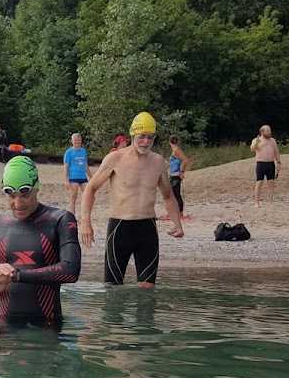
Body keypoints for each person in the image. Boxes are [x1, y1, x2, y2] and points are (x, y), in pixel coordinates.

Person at [0, 156, 81, 328]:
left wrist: (16, 276)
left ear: (37, 188)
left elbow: (71, 270)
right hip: (4, 332)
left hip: (47, 330)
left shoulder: (59, 219)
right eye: (11, 195)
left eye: (25, 194)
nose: (18, 203)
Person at [81, 112, 184, 288]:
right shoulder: (115, 158)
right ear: (132, 135)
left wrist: (177, 223)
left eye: (150, 137)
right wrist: (86, 222)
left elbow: (167, 195)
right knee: (112, 289)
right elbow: (90, 188)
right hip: (120, 229)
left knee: (147, 290)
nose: (146, 141)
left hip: (147, 229)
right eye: (141, 136)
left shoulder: (158, 161)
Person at [250, 125, 281, 207]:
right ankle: (257, 202)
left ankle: (270, 202)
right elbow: (252, 149)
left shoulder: (272, 141)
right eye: (267, 131)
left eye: (270, 131)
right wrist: (256, 142)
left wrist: (278, 162)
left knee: (271, 182)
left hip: (270, 163)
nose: (269, 132)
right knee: (259, 182)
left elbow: (276, 152)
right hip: (261, 163)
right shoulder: (257, 140)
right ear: (262, 132)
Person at [63, 133, 92, 213]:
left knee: (89, 195)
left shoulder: (83, 151)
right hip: (73, 177)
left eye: (78, 140)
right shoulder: (69, 152)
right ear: (72, 141)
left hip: (83, 177)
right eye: (75, 140)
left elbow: (85, 165)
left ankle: (86, 213)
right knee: (73, 197)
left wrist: (91, 176)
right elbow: (66, 166)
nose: (77, 142)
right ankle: (71, 215)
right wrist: (66, 180)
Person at [166, 134, 192, 220]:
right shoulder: (175, 149)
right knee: (174, 194)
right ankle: (175, 212)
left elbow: (185, 160)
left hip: (176, 174)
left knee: (175, 195)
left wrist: (182, 171)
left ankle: (180, 214)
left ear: (169, 141)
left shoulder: (176, 150)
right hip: (174, 174)